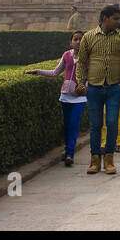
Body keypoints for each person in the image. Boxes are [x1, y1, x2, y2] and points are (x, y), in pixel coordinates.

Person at [76, 5, 120, 175]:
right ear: (104, 18)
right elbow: (81, 62)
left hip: (114, 87)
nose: (119, 22)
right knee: (95, 125)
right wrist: (81, 83)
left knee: (111, 123)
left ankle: (109, 159)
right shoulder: (89, 37)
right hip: (94, 87)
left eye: (119, 18)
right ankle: (95, 160)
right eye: (115, 18)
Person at [26, 30, 87, 166]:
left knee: (73, 124)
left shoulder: (89, 57)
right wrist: (37, 71)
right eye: (75, 39)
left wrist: (85, 86)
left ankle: (70, 154)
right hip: (65, 96)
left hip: (79, 98)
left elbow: (93, 76)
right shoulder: (66, 55)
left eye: (80, 39)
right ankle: (67, 151)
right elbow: (55, 72)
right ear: (71, 42)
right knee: (67, 125)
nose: (78, 42)